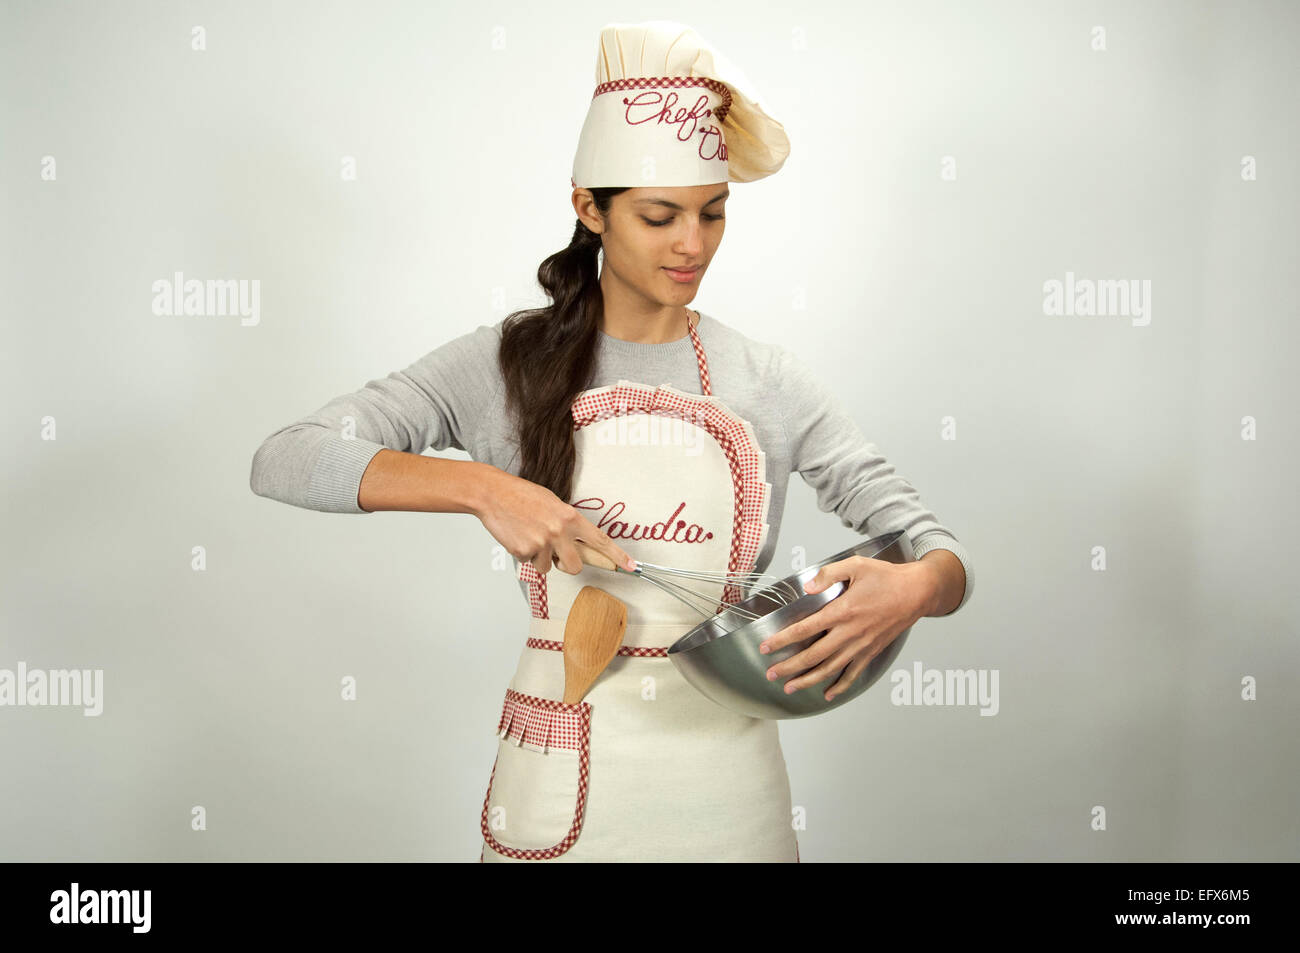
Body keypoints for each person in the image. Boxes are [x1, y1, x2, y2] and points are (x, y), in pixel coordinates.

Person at [249, 20, 973, 862]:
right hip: (560, 769)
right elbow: (286, 456)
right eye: (660, 216)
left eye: (712, 213)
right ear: (589, 207)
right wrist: (486, 488)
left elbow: (935, 548)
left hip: (726, 795)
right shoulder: (503, 366)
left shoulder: (765, 379)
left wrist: (919, 587)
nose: (692, 245)